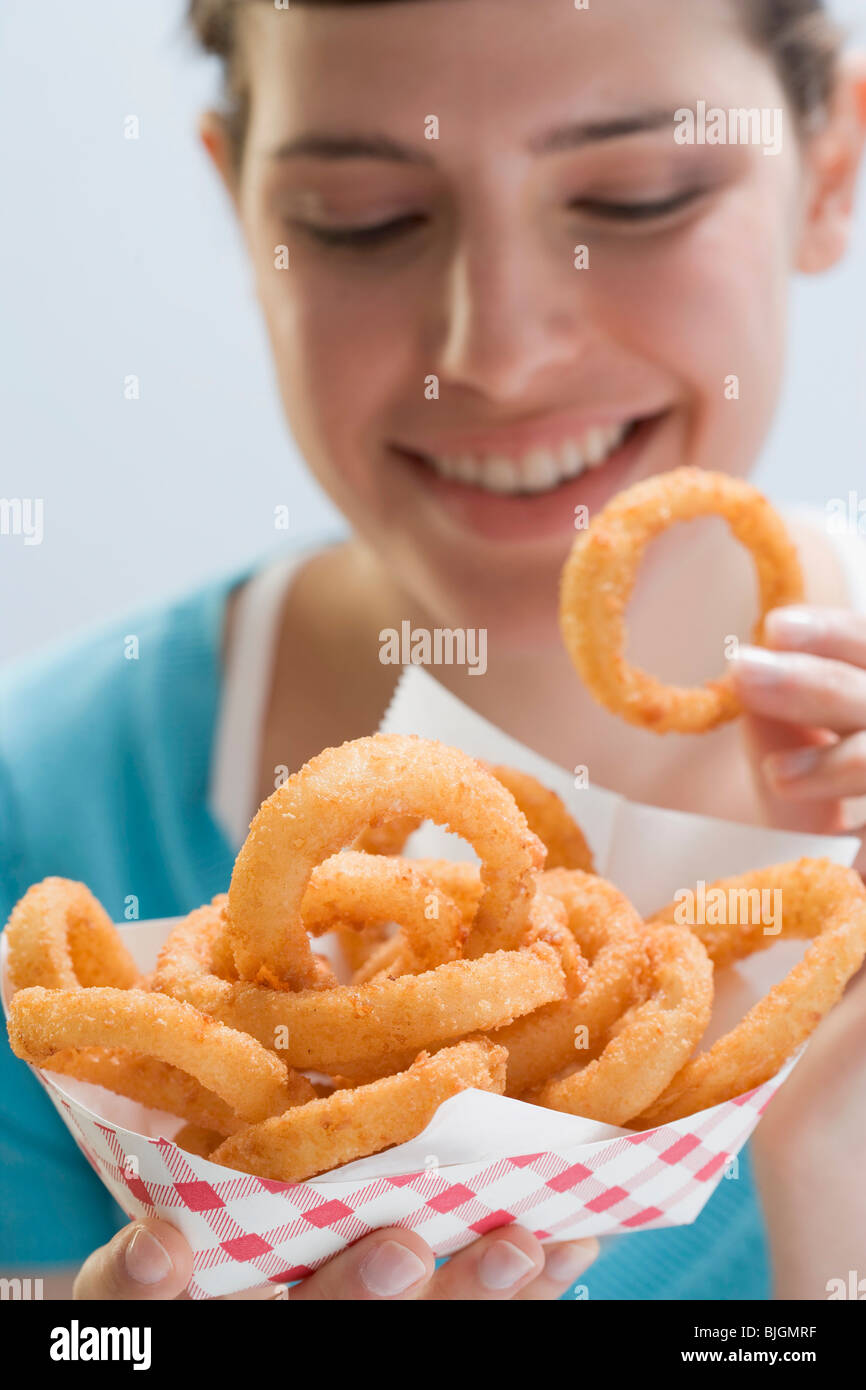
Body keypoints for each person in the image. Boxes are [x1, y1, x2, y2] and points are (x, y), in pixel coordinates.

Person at [2, 0, 866, 1302]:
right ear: (240, 210)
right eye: (363, 219)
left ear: (830, 173)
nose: (498, 352)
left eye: (637, 196)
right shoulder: (46, 799)